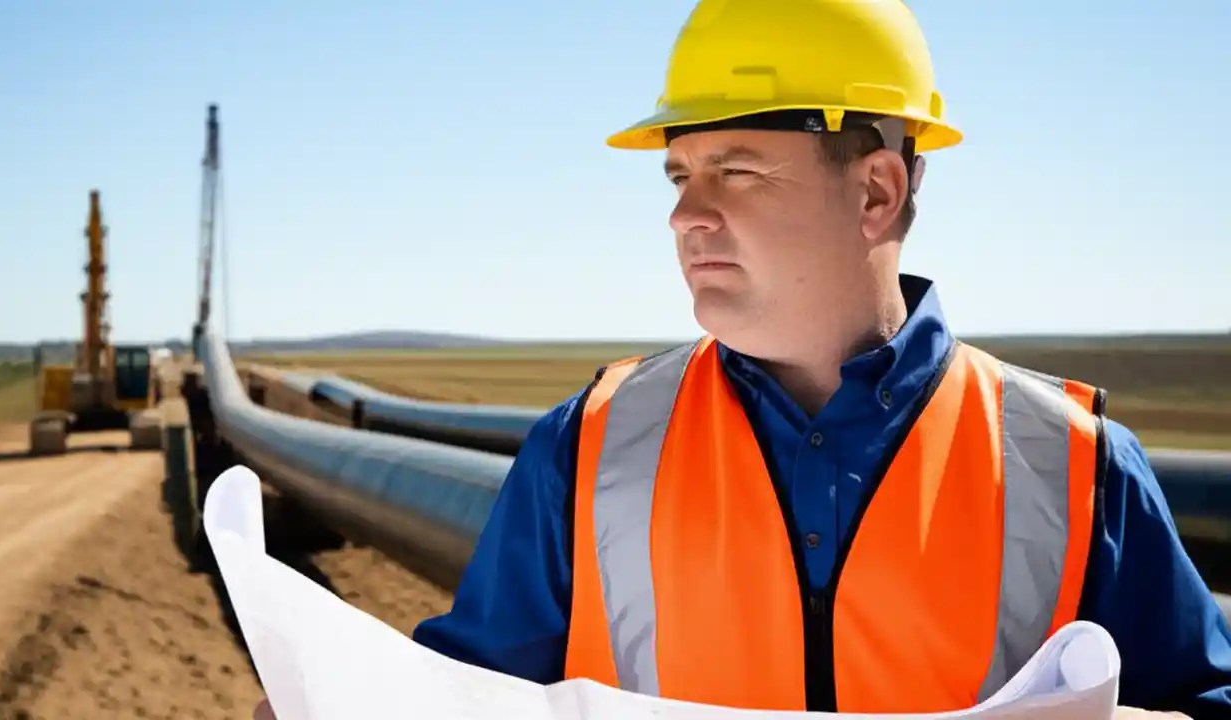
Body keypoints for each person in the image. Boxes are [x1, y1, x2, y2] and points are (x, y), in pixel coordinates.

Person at [255, 1, 1230, 718]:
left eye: (736, 170)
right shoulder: (584, 452)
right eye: (679, 175)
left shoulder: (1075, 469)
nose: (683, 214)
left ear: (876, 192)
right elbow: (464, 699)